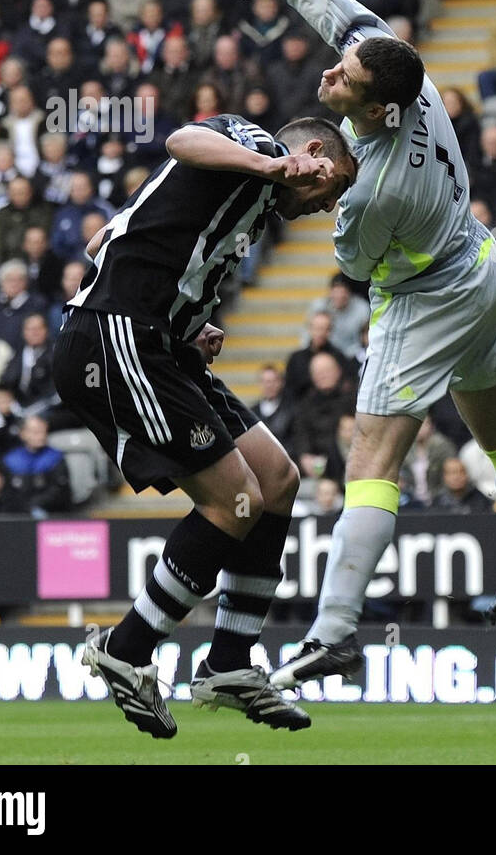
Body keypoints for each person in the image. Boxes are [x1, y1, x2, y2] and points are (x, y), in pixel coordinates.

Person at [143, 0, 496, 694]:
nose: (332, 68)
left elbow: (355, 265)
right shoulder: (397, 64)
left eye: (346, 77)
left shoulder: (370, 194)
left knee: (372, 453)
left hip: (424, 294)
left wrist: (312, 187)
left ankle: (333, 631)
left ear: (377, 109)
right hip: (478, 265)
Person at [55, 108, 356, 739]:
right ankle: (127, 650)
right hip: (117, 337)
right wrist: (274, 161)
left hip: (161, 340)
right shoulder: (257, 153)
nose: (330, 203)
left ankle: (229, 663)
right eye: (335, 184)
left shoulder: (250, 202)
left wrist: (189, 319)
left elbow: (100, 243)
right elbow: (183, 140)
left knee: (276, 479)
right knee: (236, 499)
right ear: (311, 155)